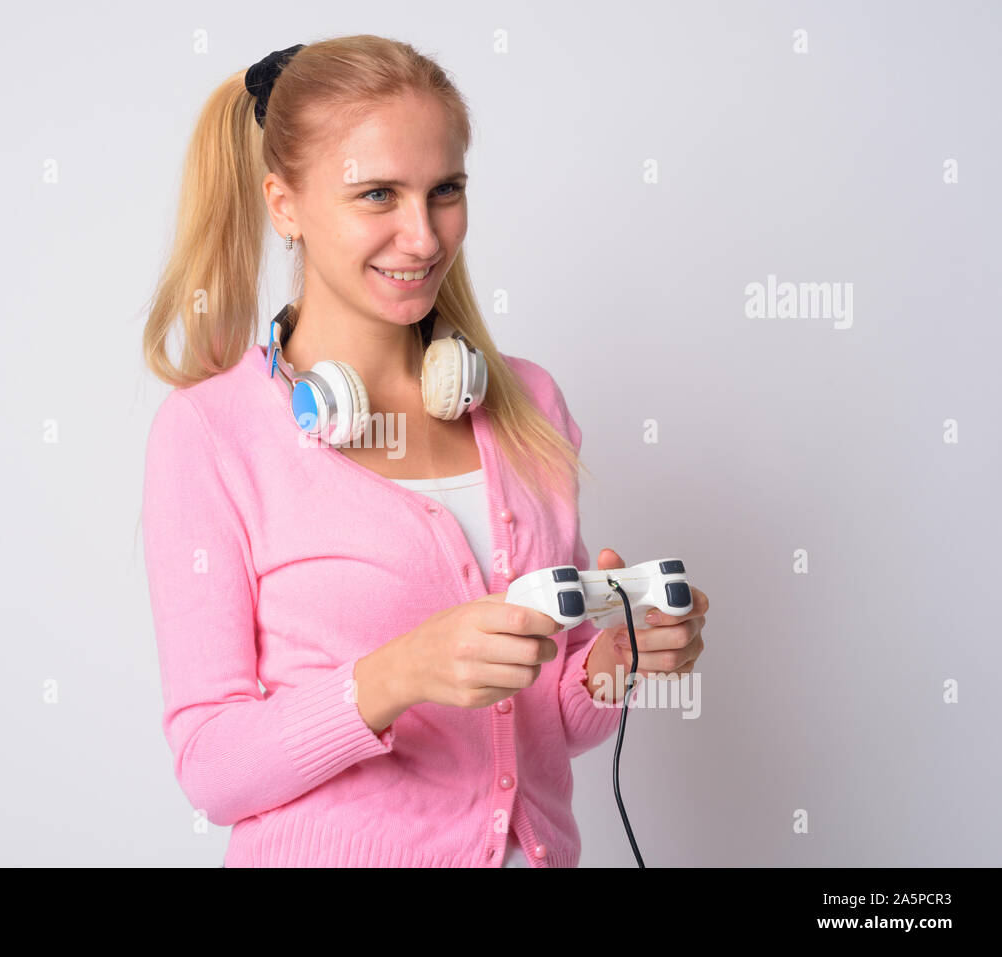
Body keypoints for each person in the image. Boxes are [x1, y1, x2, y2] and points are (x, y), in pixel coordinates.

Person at [139, 34, 709, 867]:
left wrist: (610, 667)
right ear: (284, 203)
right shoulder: (210, 434)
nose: (424, 236)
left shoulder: (528, 406)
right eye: (377, 194)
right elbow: (212, 767)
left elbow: (538, 728)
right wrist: (395, 674)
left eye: (445, 190)